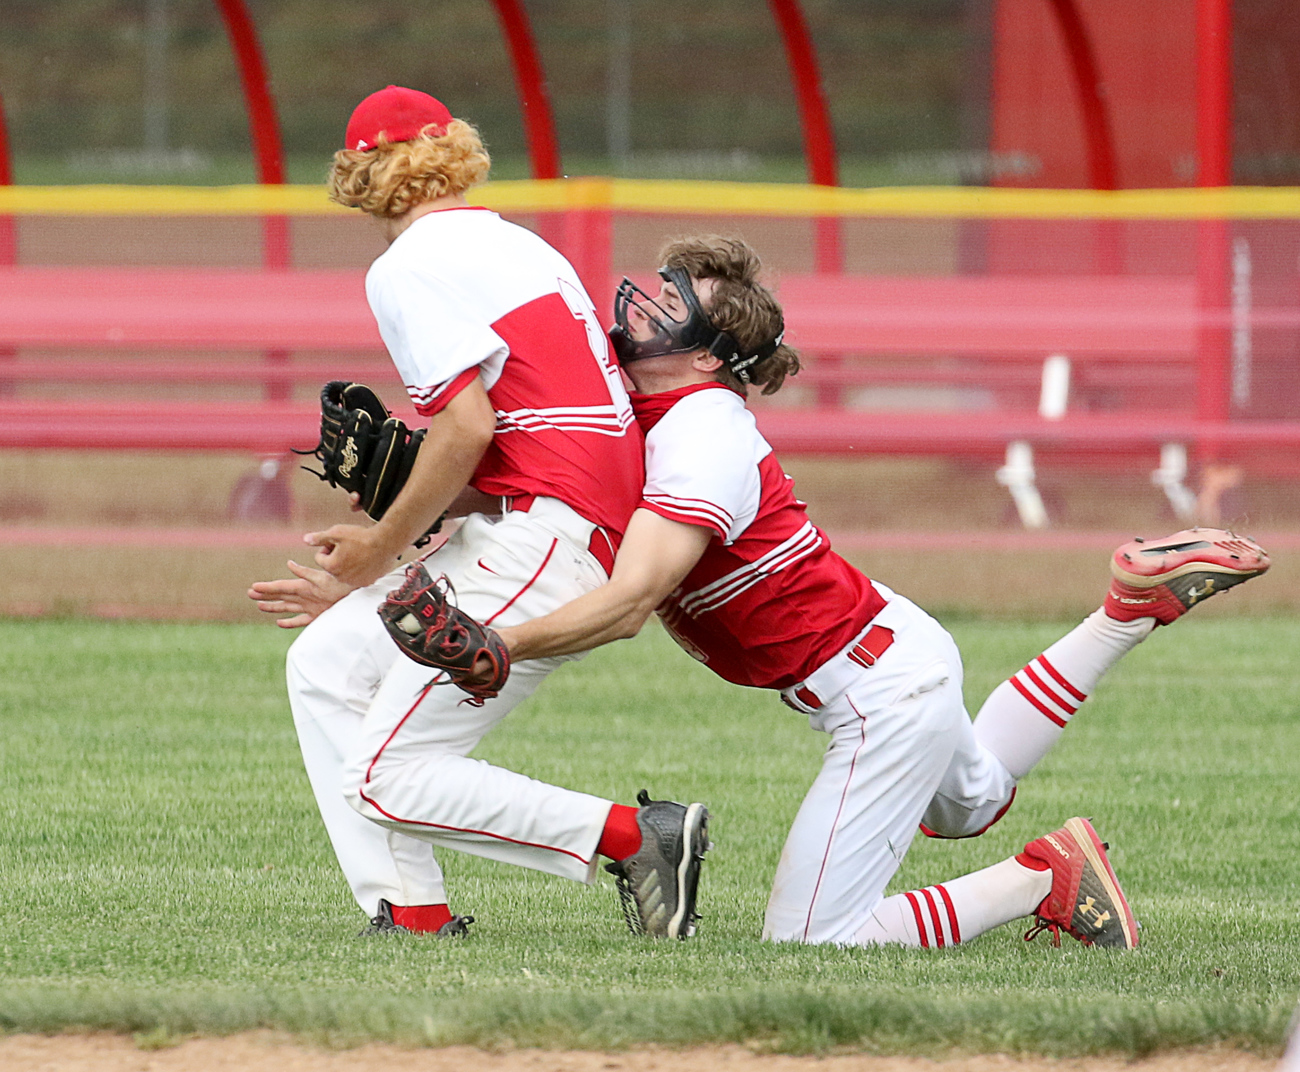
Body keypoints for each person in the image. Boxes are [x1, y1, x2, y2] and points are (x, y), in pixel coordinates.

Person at [464, 234, 1270, 948]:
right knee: (968, 804)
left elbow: (632, 600)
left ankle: (1036, 878)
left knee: (811, 944)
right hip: (893, 647)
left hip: (877, 689)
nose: (646, 302)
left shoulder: (702, 433)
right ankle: (1125, 611)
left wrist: (502, 644)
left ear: (709, 354)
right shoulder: (666, 415)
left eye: (675, 302)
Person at [264, 85, 707, 939]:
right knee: (324, 666)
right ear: (458, 154)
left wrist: (381, 547)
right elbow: (532, 429)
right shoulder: (520, 245)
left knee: (383, 776)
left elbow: (468, 426)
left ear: (358, 176)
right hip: (551, 514)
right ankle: (413, 913)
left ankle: (633, 836)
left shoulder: (406, 265)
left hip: (549, 529)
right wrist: (399, 541)